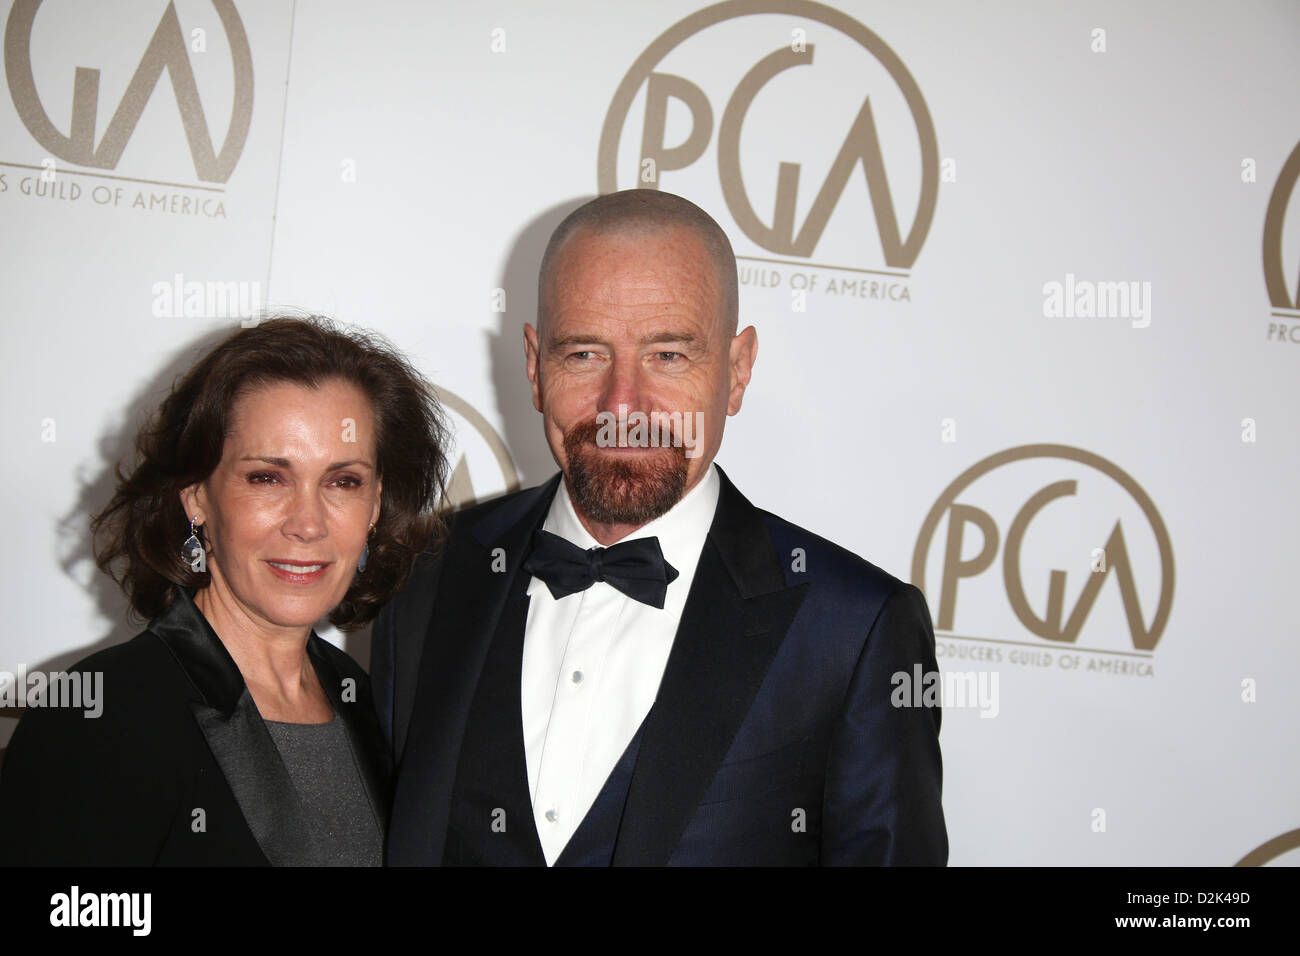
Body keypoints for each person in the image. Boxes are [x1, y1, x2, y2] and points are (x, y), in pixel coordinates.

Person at [373, 190, 948, 866]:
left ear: (736, 373)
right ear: (534, 367)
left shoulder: (854, 630)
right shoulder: (429, 572)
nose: (623, 405)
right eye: (584, 354)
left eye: (669, 356)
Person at [0, 316, 450, 865]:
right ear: (196, 497)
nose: (308, 523)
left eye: (343, 481)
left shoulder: (360, 699)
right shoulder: (102, 716)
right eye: (267, 477)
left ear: (376, 505)